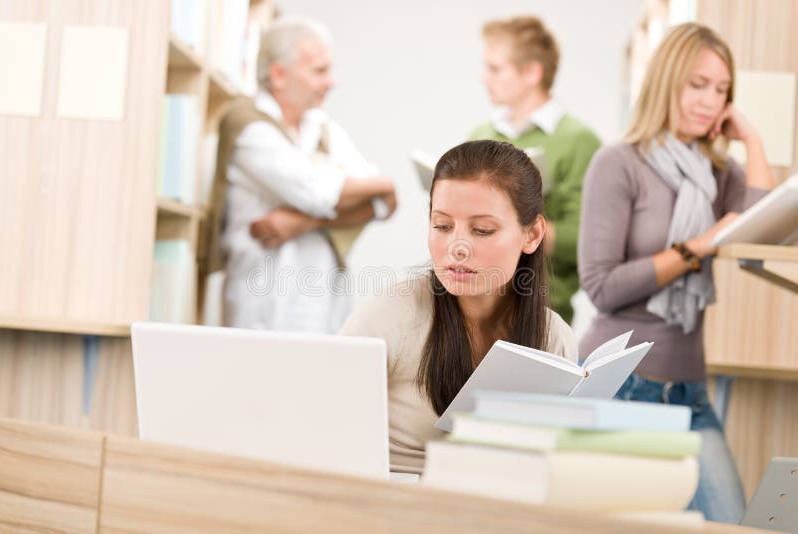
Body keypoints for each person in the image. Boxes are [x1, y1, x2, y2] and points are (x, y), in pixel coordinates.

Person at [578, 23, 775, 523]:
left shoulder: (717, 174)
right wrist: (698, 247)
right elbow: (602, 286)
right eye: (698, 84)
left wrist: (750, 137)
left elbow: (765, 227)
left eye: (722, 89)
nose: (711, 100)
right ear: (667, 81)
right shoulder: (617, 163)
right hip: (621, 384)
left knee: (729, 521)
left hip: (688, 388)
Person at [340, 140, 577, 474]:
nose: (457, 247)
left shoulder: (554, 338)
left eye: (482, 230)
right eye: (442, 226)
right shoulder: (389, 318)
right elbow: (324, 433)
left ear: (533, 234)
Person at [206, 16, 396, 333]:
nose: (331, 82)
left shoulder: (323, 128)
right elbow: (320, 195)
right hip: (262, 307)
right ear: (279, 75)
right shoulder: (249, 127)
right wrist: (380, 184)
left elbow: (381, 206)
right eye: (320, 71)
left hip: (323, 307)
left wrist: (304, 223)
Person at [469, 16, 601, 324]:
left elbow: (582, 240)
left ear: (531, 73)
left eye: (495, 68)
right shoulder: (480, 133)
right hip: (474, 308)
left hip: (541, 311)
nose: (484, 78)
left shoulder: (579, 141)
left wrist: (513, 226)